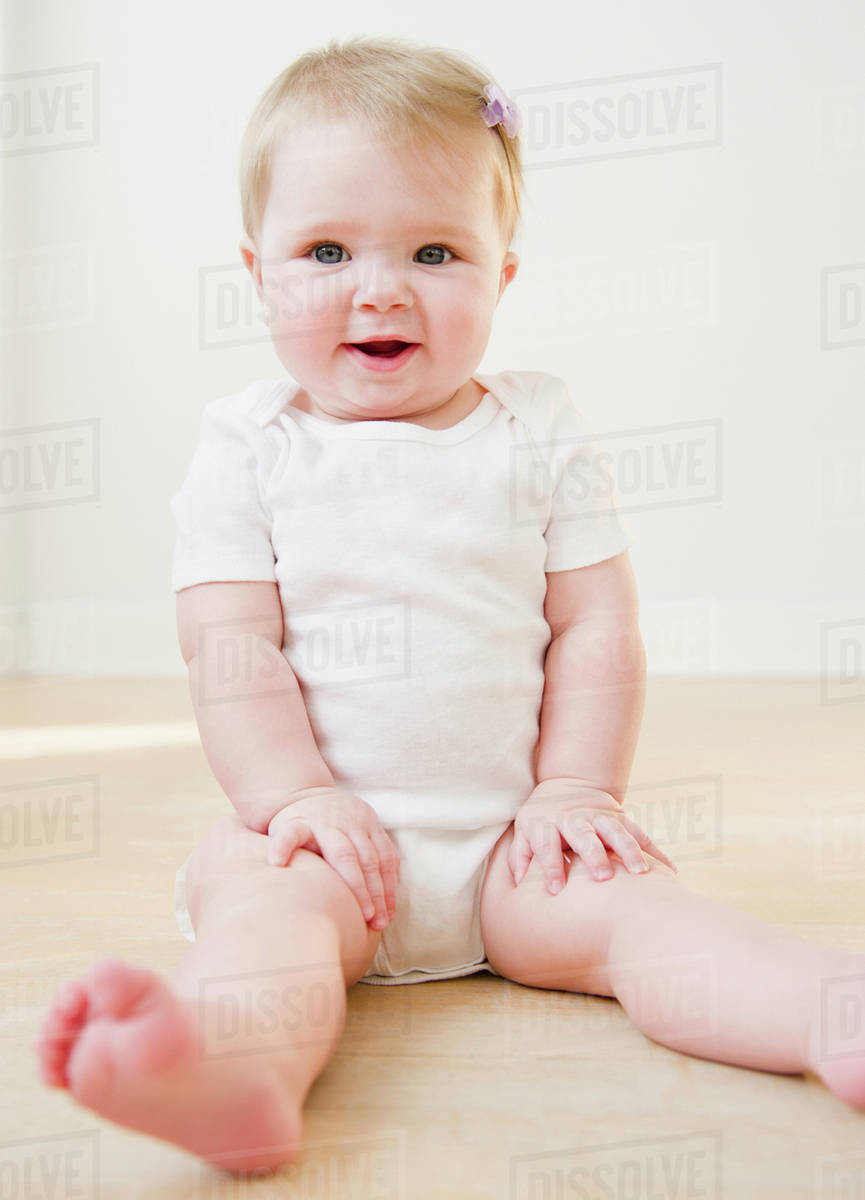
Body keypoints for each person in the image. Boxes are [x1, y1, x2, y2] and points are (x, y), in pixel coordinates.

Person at [35, 35, 865, 1176]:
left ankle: (822, 1009)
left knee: (649, 924)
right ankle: (236, 1073)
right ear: (257, 271)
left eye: (434, 251)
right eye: (327, 251)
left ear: (500, 275)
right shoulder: (250, 445)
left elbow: (595, 626)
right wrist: (296, 799)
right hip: (320, 843)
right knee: (267, 924)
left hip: (515, 847)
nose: (380, 288)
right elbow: (228, 645)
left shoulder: (535, 428)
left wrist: (575, 790)